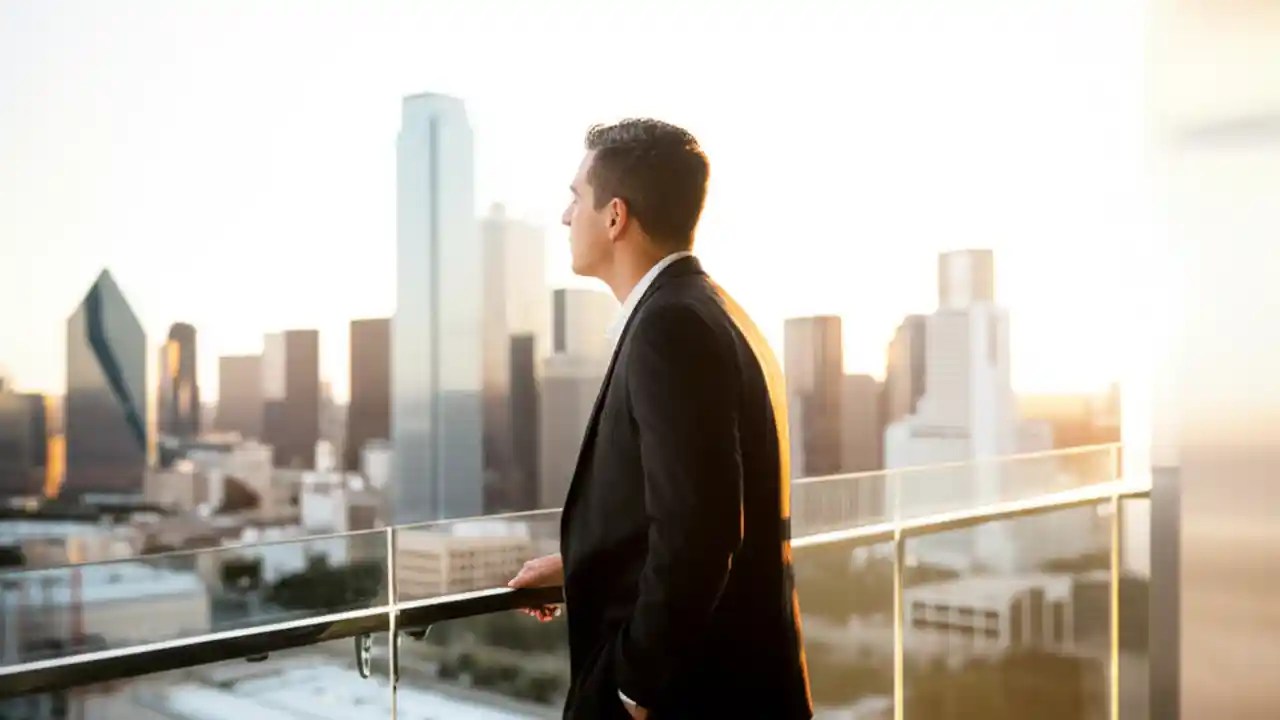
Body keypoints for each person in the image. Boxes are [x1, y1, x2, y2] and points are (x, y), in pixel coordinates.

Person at [508, 119, 812, 719]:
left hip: (694, 699)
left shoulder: (670, 328)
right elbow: (688, 502)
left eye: (576, 198)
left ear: (615, 216)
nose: (567, 217)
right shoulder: (717, 311)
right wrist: (582, 566)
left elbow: (701, 535)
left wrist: (633, 687)